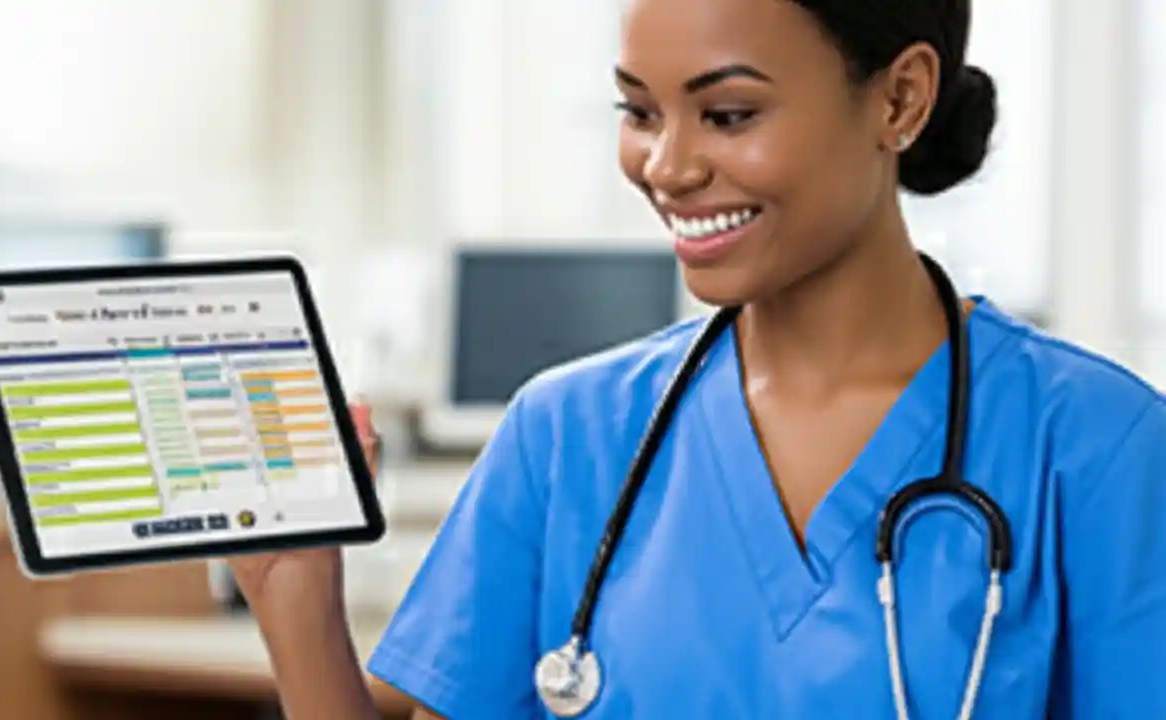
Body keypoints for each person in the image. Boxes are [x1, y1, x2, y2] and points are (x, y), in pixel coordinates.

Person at [230, 0, 1166, 717]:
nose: (668, 167)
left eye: (726, 114)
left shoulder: (1097, 446)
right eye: (639, 111)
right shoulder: (566, 436)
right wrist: (298, 604)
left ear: (899, 97)